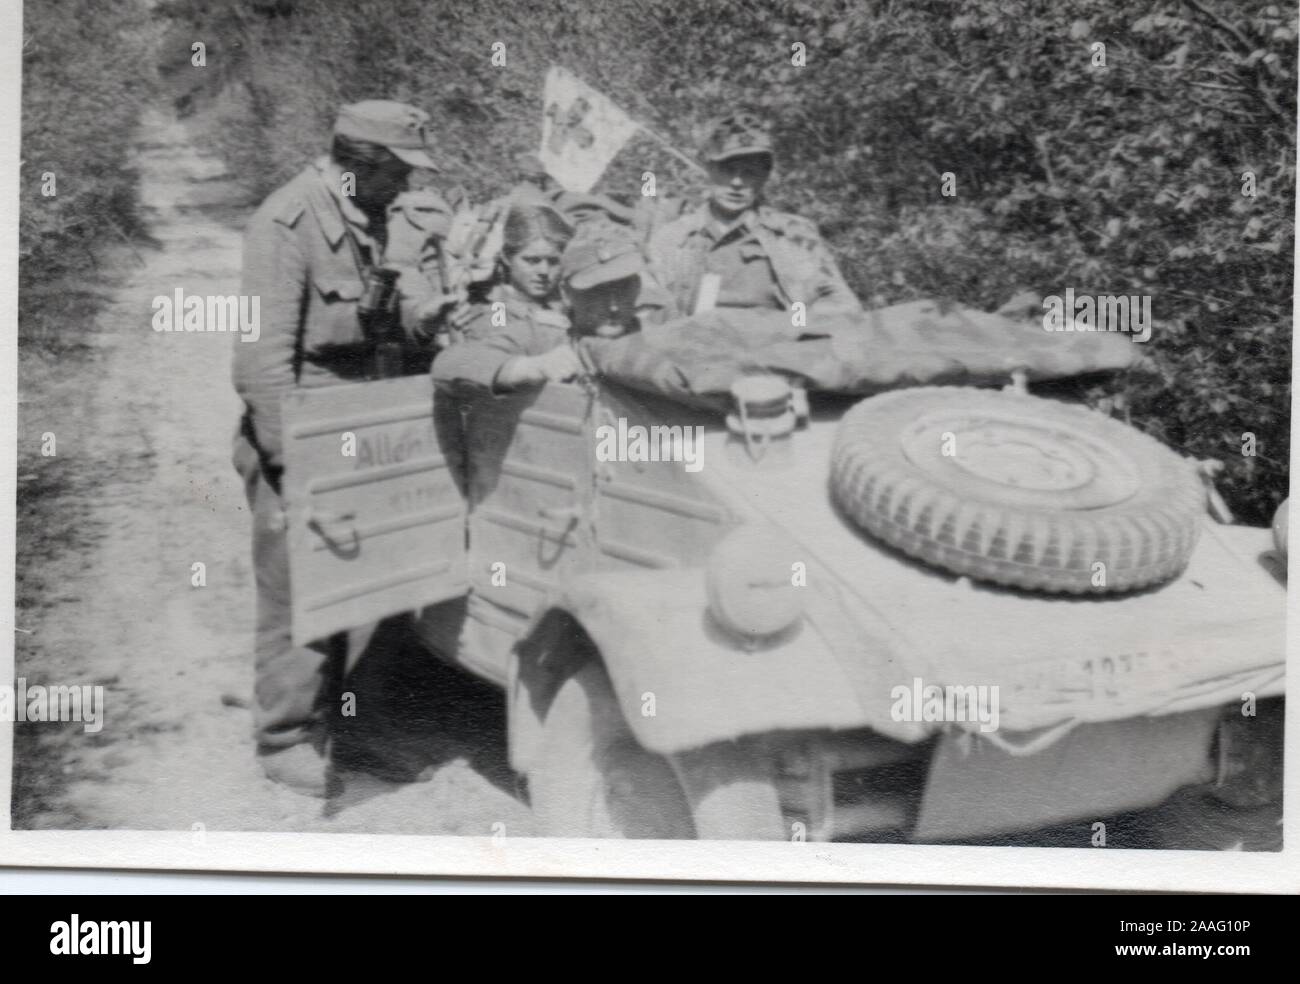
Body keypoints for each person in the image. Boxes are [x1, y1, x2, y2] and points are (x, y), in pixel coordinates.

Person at [232, 99, 453, 795]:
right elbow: (259, 365)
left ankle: (349, 723)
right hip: (304, 439)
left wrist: (425, 321)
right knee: (297, 592)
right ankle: (284, 737)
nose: (408, 186)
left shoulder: (376, 217)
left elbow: (380, 320)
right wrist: (295, 466)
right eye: (398, 171)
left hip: (365, 433)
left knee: (361, 583)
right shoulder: (286, 222)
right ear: (359, 162)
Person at [647, 112, 861, 319]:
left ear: (764, 177)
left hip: (775, 347)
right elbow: (649, 309)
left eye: (749, 172)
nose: (737, 183)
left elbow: (841, 303)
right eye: (728, 170)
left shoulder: (792, 234)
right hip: (692, 347)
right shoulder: (673, 238)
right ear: (709, 169)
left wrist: (796, 326)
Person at [432, 204, 583, 393]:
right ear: (506, 257)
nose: (543, 271)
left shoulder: (565, 298)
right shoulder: (498, 307)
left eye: (553, 261)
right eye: (531, 260)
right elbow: (495, 341)